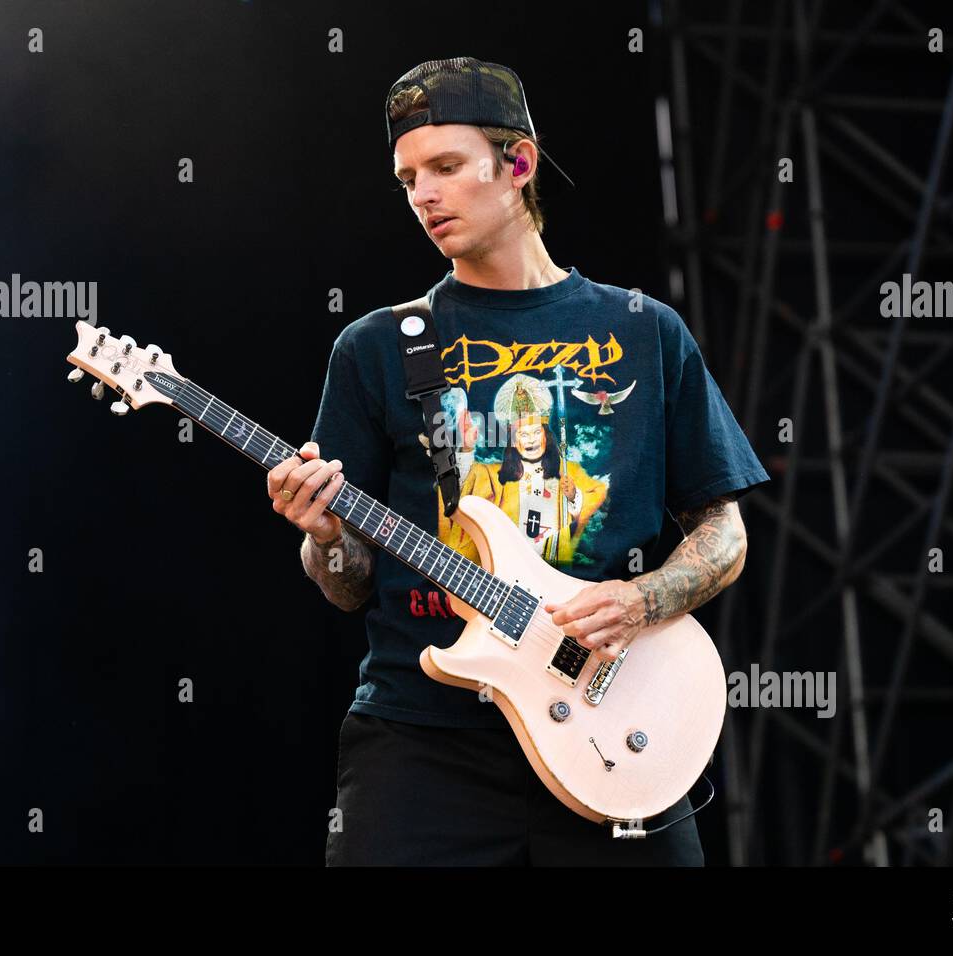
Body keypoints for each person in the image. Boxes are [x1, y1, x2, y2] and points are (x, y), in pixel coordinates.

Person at [266, 57, 770, 866]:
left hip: (612, 719)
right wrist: (324, 533)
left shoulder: (645, 330)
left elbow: (725, 530)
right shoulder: (379, 348)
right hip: (423, 744)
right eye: (406, 178)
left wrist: (641, 601)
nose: (422, 196)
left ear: (519, 164)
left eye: (445, 167)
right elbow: (349, 582)